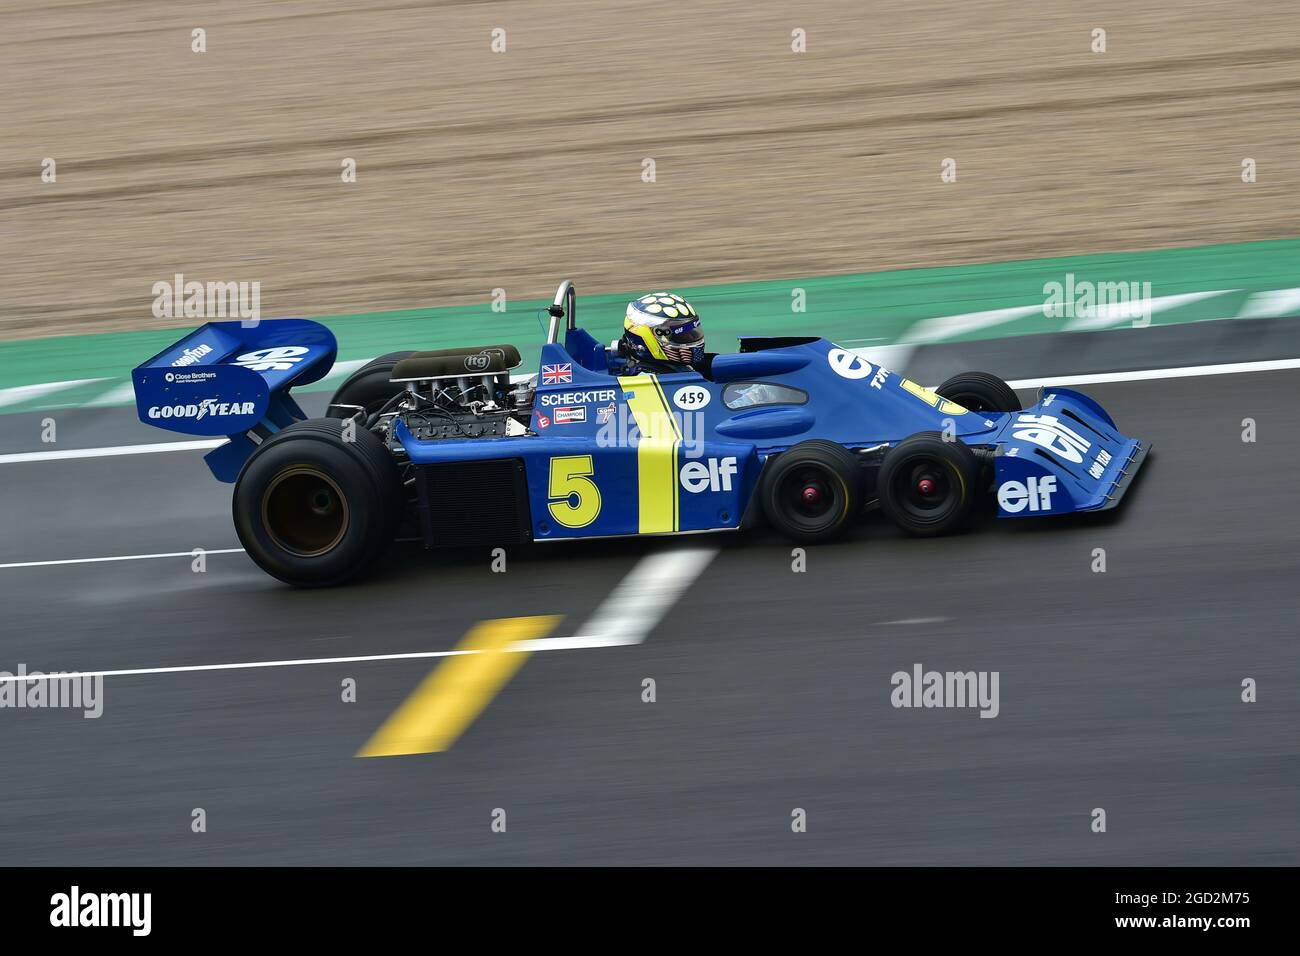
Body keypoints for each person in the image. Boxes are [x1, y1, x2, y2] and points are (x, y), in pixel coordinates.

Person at [611, 292, 710, 375]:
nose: (691, 337)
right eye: (681, 336)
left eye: (691, 332)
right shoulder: (645, 380)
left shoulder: (679, 368)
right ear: (649, 337)